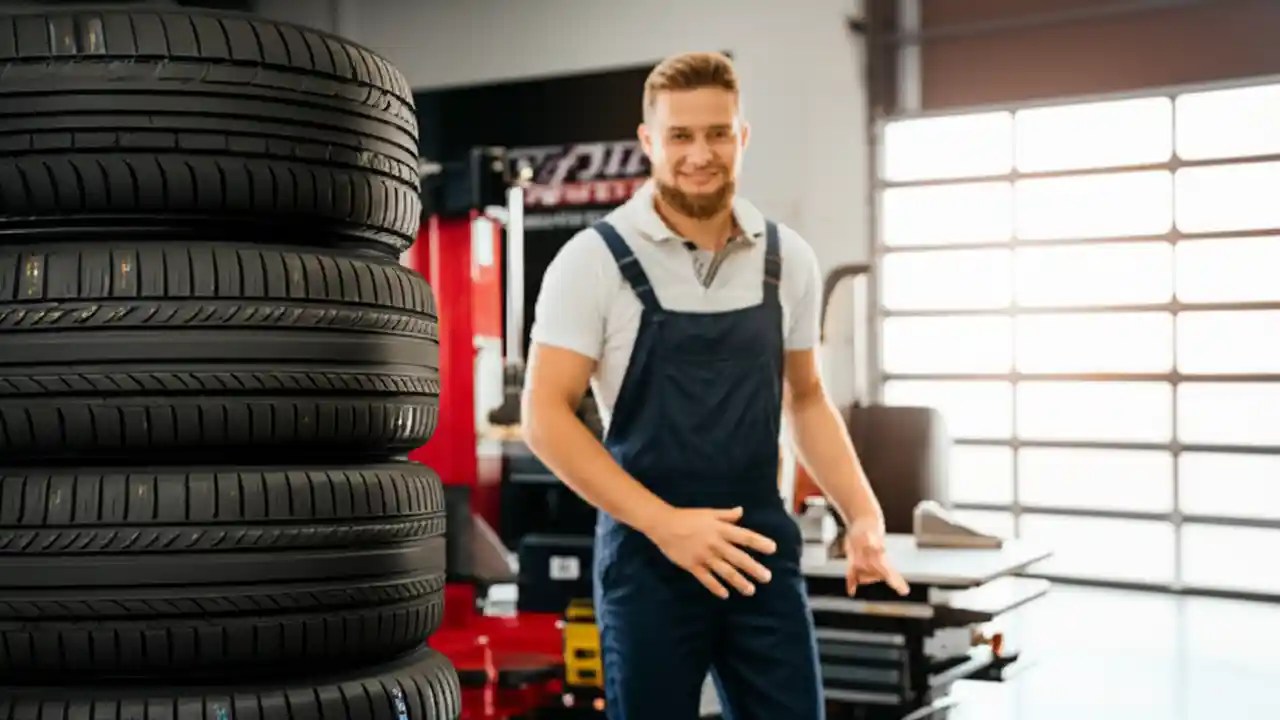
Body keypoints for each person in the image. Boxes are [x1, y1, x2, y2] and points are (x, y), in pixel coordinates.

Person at [521, 51, 908, 720]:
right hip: (647, 557)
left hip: (758, 550)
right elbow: (545, 416)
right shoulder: (593, 262)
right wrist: (665, 526)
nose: (700, 154)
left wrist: (864, 514)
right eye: (680, 135)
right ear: (648, 142)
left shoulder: (788, 259)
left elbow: (805, 396)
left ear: (742, 136)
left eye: (718, 133)